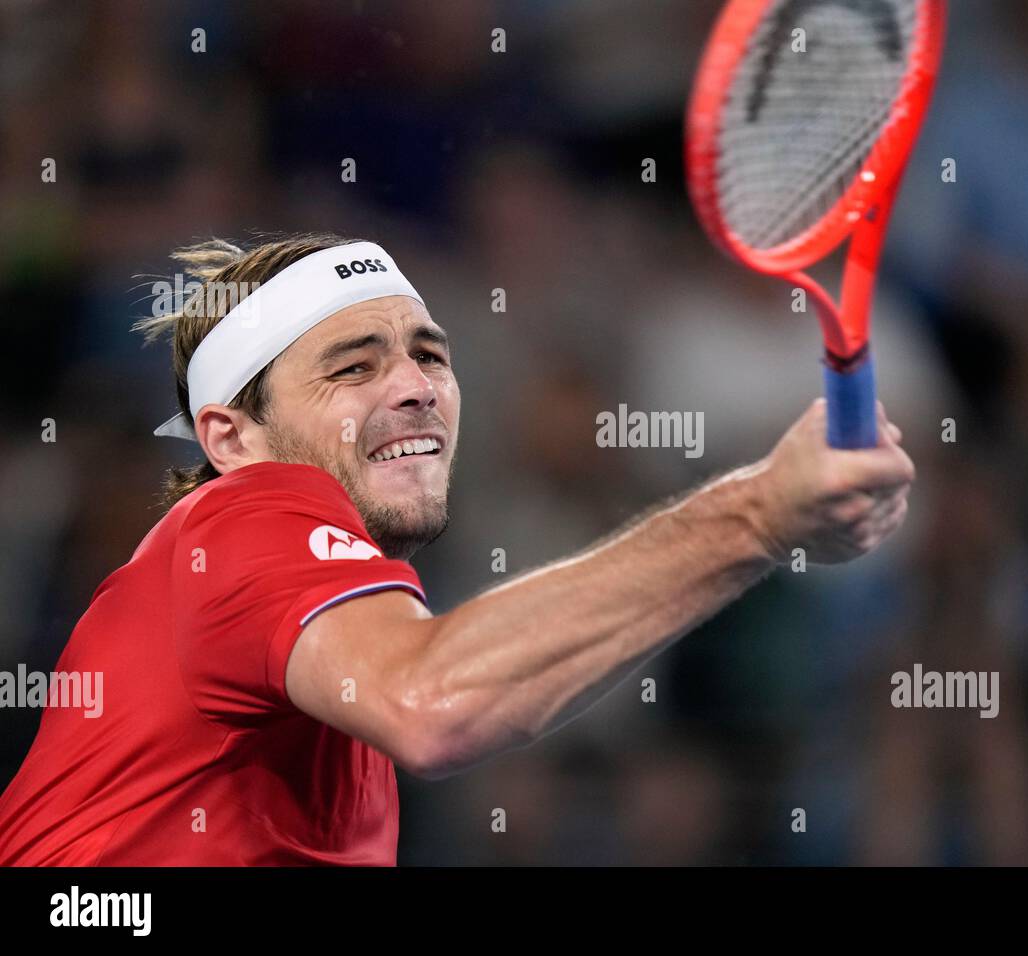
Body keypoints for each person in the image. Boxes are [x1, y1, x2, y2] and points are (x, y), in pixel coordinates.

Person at [0, 233, 914, 865]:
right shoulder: (241, 519)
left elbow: (498, 688)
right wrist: (756, 515)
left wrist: (761, 529)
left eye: (429, 355)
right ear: (233, 439)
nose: (415, 387)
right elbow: (436, 704)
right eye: (352, 367)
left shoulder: (299, 604)